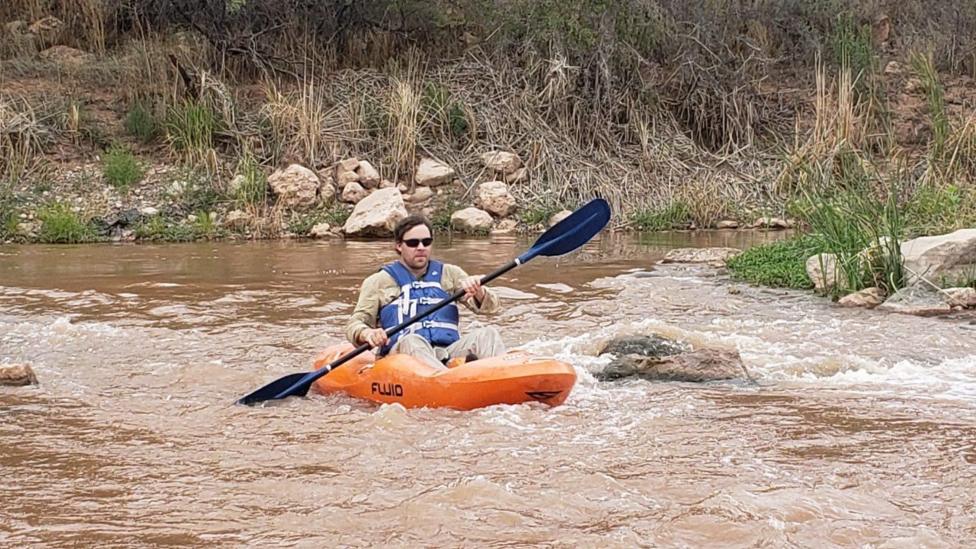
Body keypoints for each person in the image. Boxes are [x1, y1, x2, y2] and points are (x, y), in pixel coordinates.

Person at [345, 214, 506, 369]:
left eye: (426, 242)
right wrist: (368, 334)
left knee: (488, 334)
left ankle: (500, 377)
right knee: (412, 340)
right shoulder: (378, 282)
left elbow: (492, 309)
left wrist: (479, 291)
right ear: (399, 246)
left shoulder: (450, 274)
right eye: (413, 243)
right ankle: (446, 385)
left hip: (446, 352)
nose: (421, 248)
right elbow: (355, 323)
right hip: (402, 356)